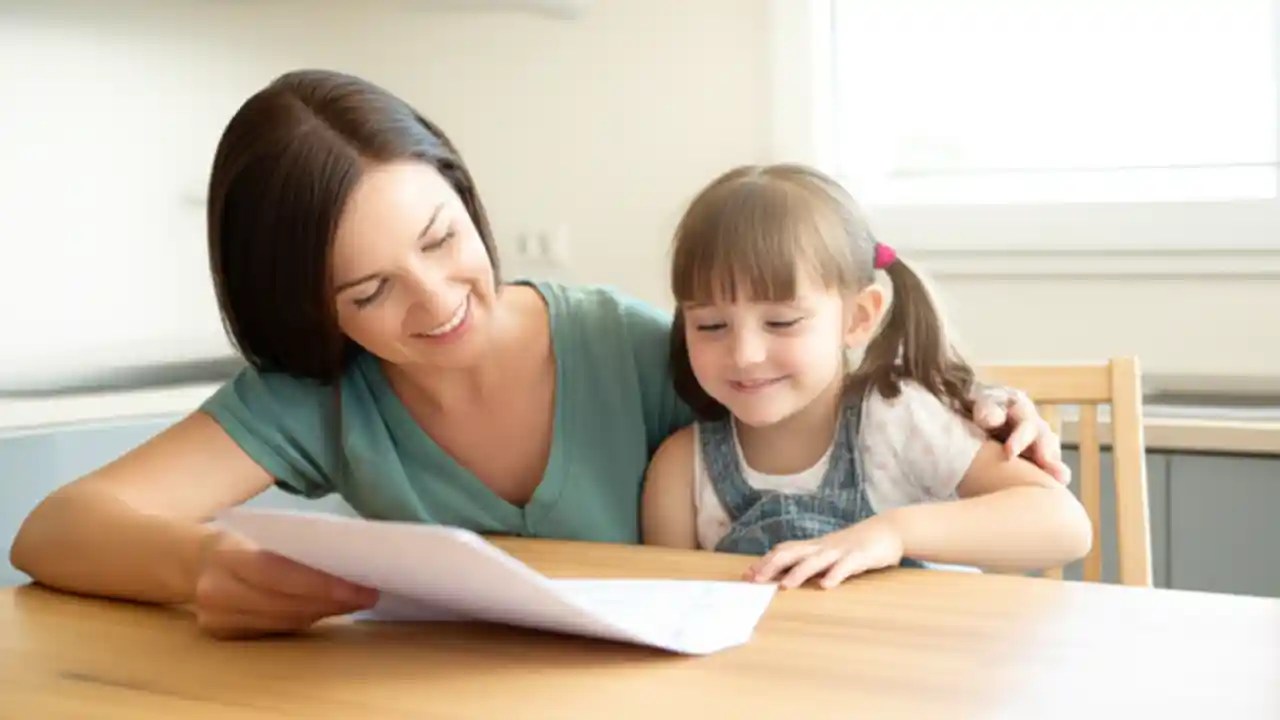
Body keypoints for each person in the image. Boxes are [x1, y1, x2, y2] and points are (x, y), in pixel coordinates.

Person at [10, 70, 1069, 639]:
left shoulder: (632, 348)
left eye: (440, 241)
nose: (435, 306)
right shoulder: (311, 397)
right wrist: (204, 567)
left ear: (466, 198)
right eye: (369, 291)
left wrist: (966, 402)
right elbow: (58, 529)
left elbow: (800, 391)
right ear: (308, 310)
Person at [641, 163, 1091, 589]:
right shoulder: (681, 470)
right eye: (711, 326)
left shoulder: (898, 418)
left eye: (781, 322)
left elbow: (1063, 525)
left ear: (857, 318)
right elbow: (671, 615)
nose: (745, 354)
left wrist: (893, 533)